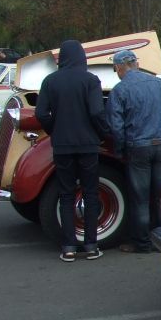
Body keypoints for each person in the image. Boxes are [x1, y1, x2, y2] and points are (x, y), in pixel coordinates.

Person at [107, 48, 161, 253]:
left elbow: (116, 126)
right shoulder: (160, 84)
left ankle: (142, 243)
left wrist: (119, 149)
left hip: (138, 147)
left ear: (119, 68)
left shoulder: (120, 90)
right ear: (136, 63)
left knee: (140, 198)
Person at [34, 39, 110, 262]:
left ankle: (68, 246)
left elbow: (41, 114)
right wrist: (102, 133)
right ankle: (91, 245)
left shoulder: (50, 81)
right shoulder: (90, 80)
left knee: (66, 194)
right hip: (88, 145)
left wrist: (53, 130)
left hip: (62, 145)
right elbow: (97, 112)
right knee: (90, 192)